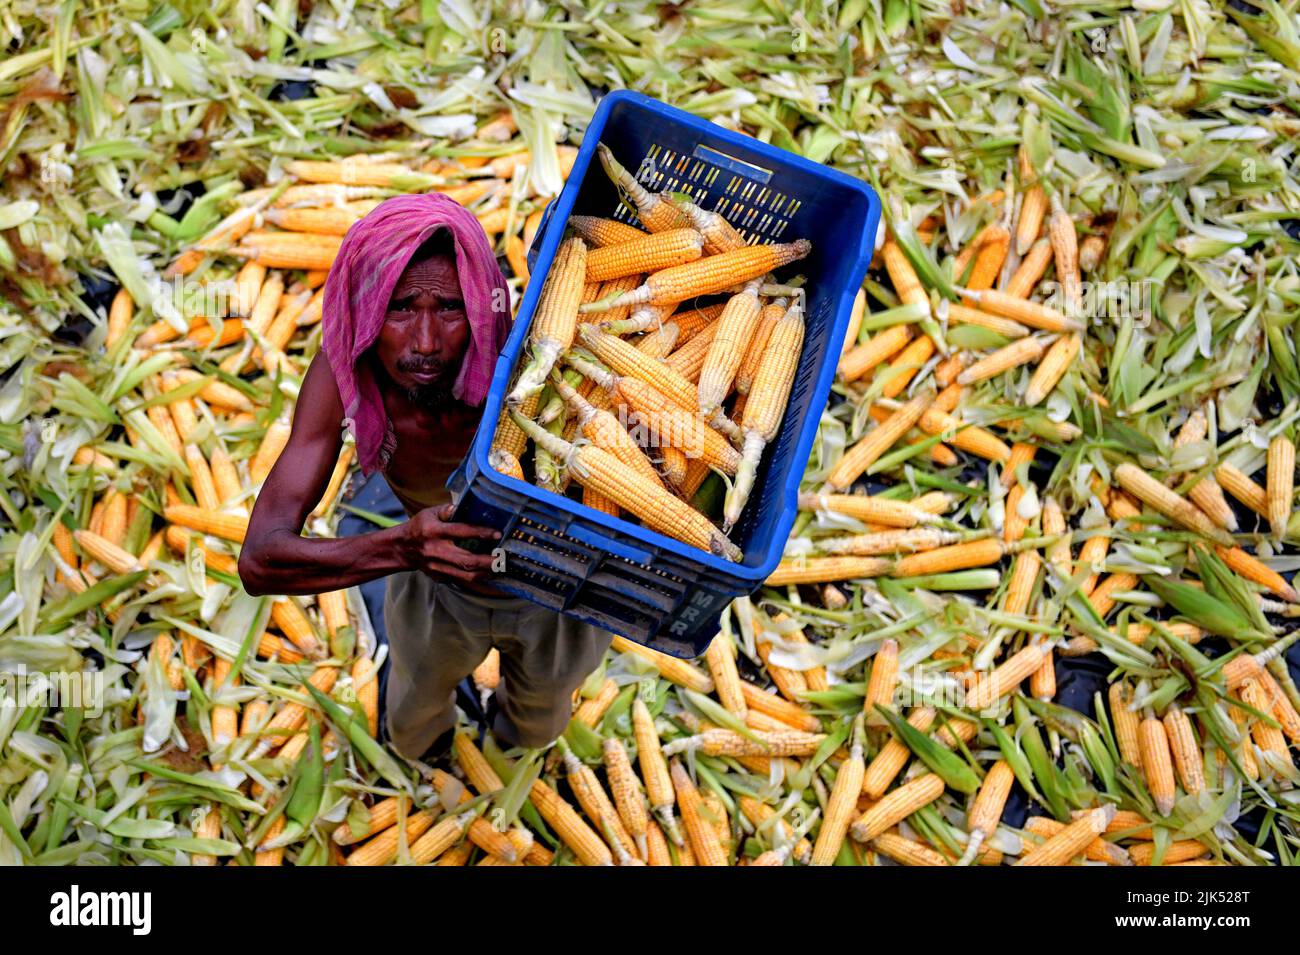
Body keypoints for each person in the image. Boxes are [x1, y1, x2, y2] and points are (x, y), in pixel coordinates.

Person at [238, 193, 612, 761]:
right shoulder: (346, 371)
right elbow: (260, 560)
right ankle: (427, 759)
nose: (426, 342)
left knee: (540, 719)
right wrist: (404, 547)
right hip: (435, 585)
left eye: (451, 309)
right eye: (400, 308)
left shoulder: (535, 359)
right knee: (413, 710)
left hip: (554, 591)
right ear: (365, 312)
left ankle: (511, 754)